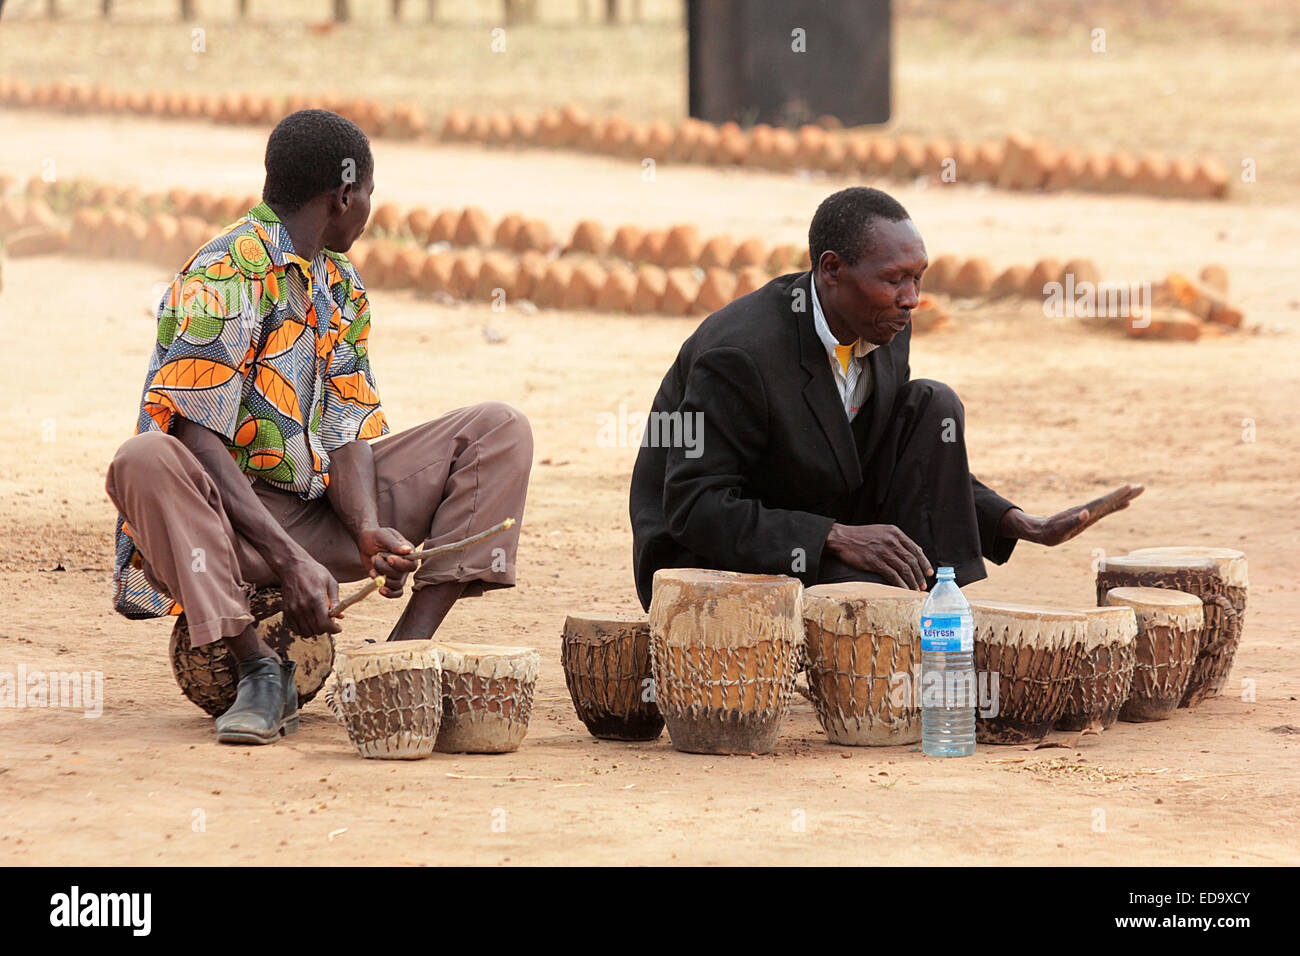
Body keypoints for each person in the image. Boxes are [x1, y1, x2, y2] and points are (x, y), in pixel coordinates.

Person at [106, 110, 533, 745]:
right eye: (368, 194)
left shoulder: (340, 284)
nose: (368, 208)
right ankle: (258, 670)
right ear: (343, 195)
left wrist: (364, 529)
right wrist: (289, 559)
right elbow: (196, 434)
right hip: (221, 531)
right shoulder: (225, 274)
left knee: (499, 430)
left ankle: (396, 660)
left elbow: (347, 424)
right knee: (143, 458)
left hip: (314, 511)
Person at [630, 186, 1141, 610]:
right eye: (894, 279)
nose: (911, 298)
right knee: (873, 593)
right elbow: (696, 508)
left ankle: (944, 611)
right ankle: (912, 622)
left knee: (932, 406)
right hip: (704, 560)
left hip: (813, 506)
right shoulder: (740, 356)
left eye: (918, 277)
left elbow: (895, 458)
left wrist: (1019, 523)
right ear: (832, 270)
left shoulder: (885, 327)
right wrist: (836, 536)